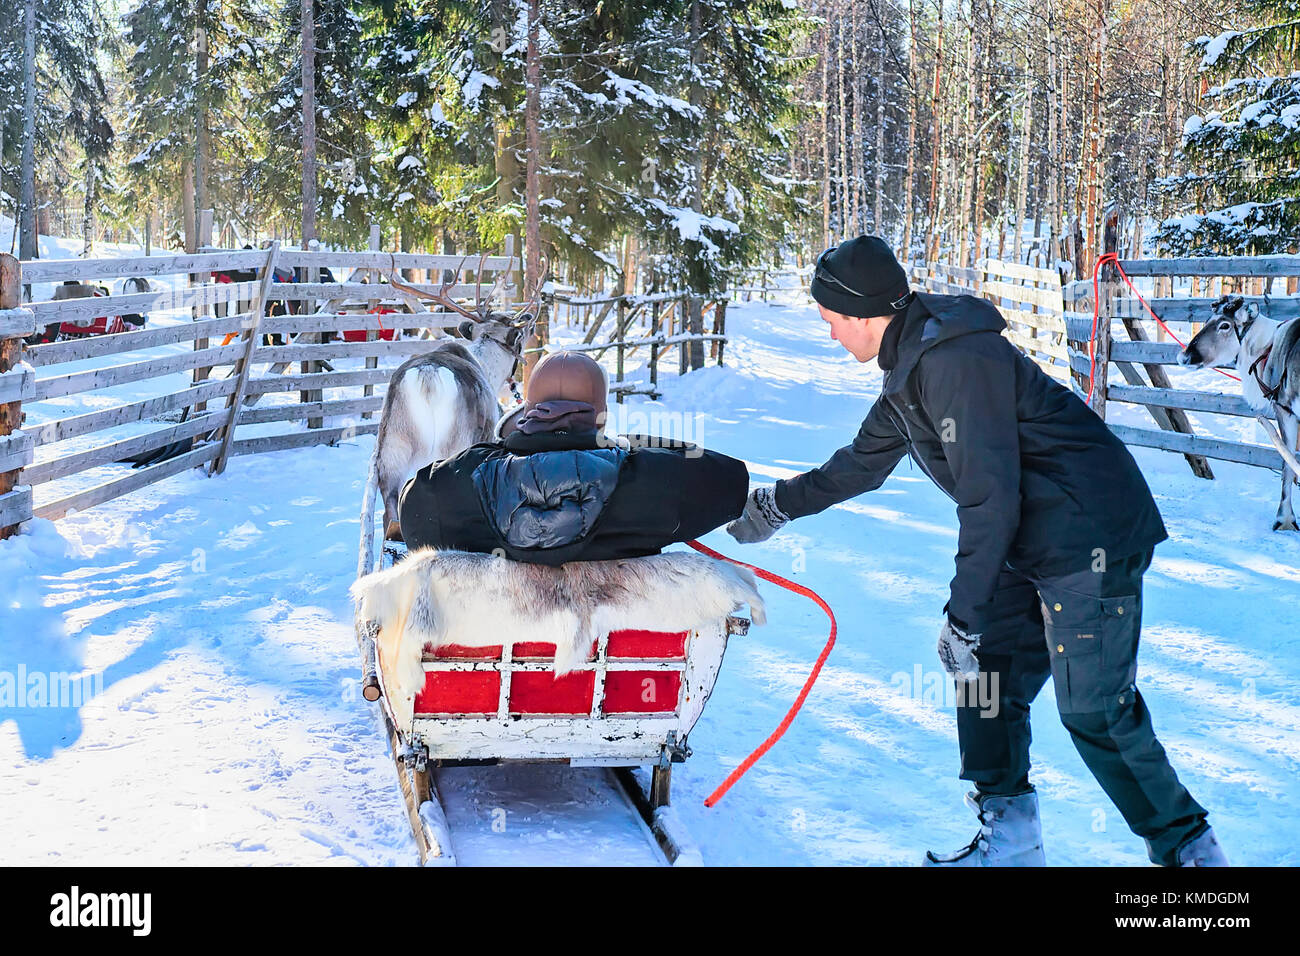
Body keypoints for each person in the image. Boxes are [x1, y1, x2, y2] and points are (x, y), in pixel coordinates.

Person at [726, 234, 1226, 868]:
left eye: (829, 322)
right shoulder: (912, 365)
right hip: (1033, 541)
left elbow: (989, 498)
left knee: (1096, 710)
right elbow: (860, 463)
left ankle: (1192, 855)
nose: (829, 336)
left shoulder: (952, 361)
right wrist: (776, 507)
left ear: (860, 314)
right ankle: (1011, 839)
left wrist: (962, 612)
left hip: (1087, 536)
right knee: (985, 675)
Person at [398, 350, 749, 564]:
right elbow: (729, 479)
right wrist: (624, 446)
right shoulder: (652, 481)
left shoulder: (449, 484)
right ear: (603, 414)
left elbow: (413, 516)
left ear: (527, 411)